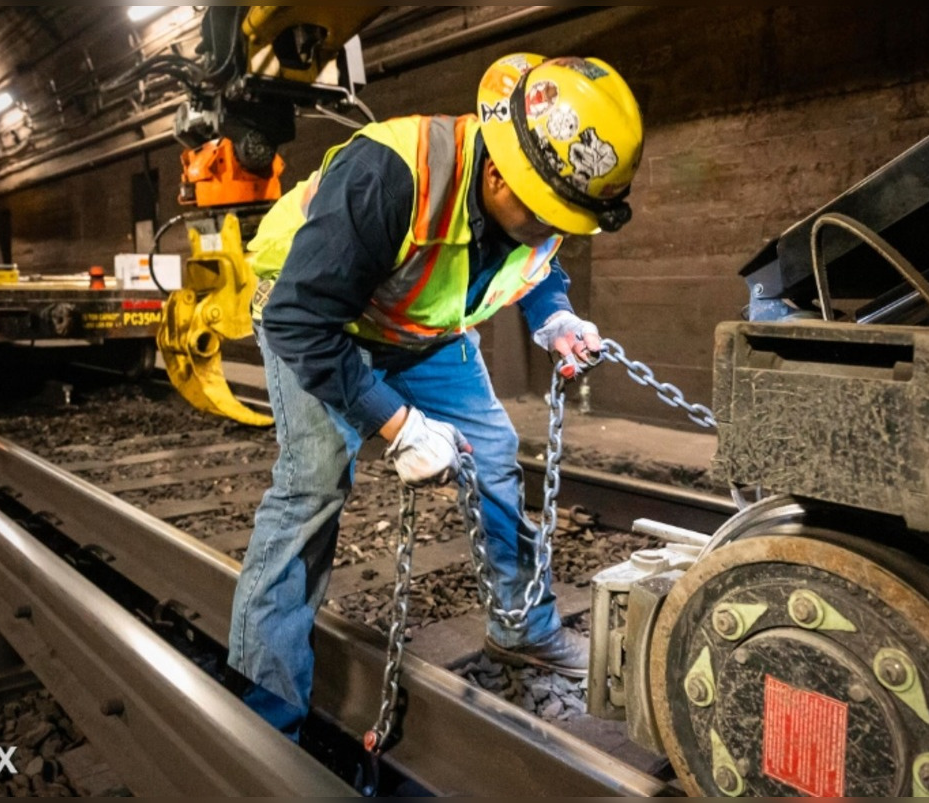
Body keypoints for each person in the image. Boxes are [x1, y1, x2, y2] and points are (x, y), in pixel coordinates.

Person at [228, 52, 644, 741]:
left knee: (494, 451)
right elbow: (302, 320)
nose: (552, 231)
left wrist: (555, 315)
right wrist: (397, 424)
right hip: (313, 313)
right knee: (312, 488)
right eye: (545, 216)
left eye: (565, 220)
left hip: (415, 322)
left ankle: (521, 626)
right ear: (497, 173)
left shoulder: (539, 201)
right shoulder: (389, 174)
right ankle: (262, 719)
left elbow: (537, 260)